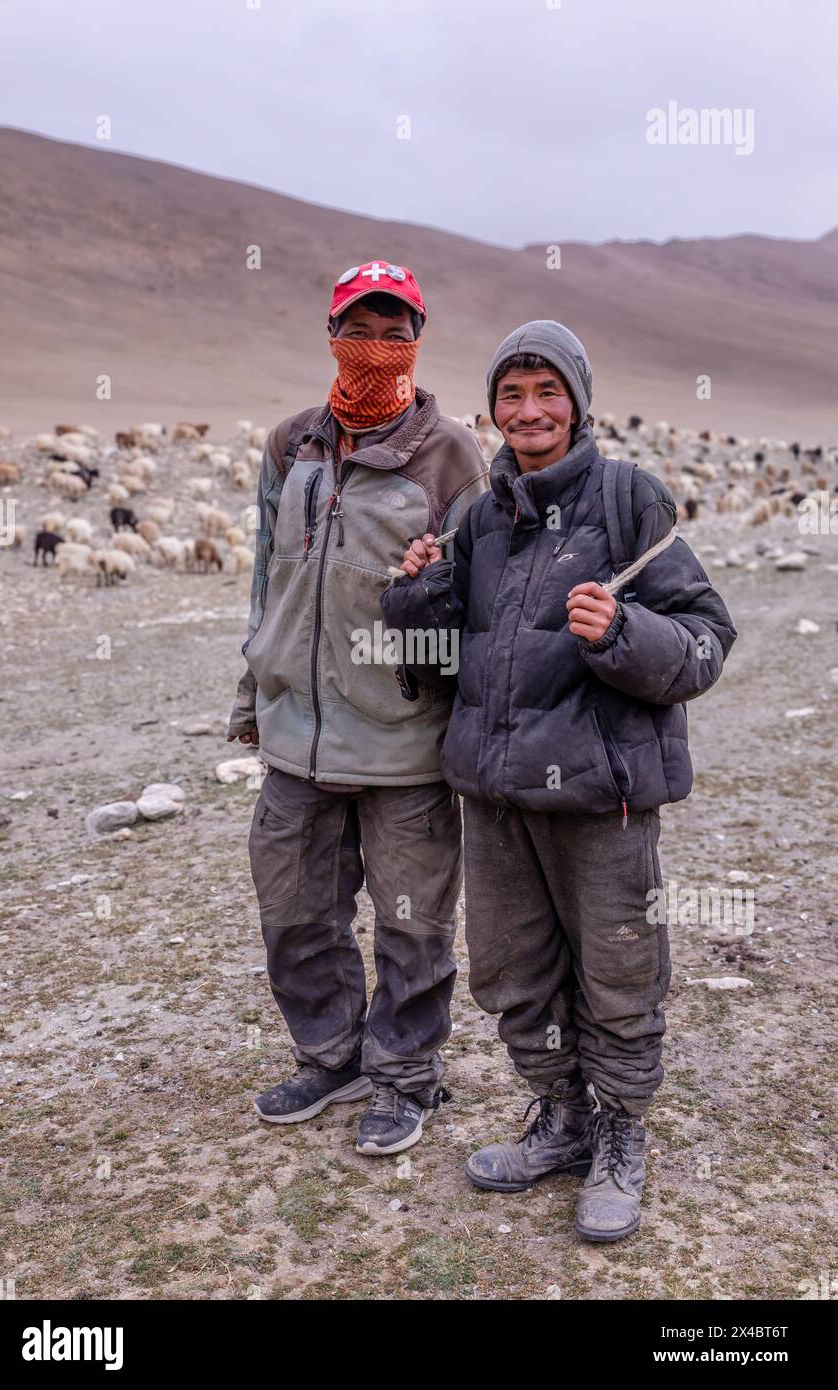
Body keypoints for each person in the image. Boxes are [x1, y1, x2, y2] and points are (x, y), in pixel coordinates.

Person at [381, 319, 736, 1237]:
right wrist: (415, 592)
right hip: (496, 795)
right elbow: (432, 655)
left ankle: (621, 1132)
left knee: (618, 971)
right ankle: (563, 1119)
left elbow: (706, 642)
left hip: (599, 797)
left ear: (577, 401)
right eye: (512, 394)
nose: (529, 411)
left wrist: (622, 633)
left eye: (548, 393)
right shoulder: (479, 516)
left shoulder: (629, 501)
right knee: (514, 971)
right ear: (493, 408)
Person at [227, 261, 488, 1156]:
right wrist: (250, 688)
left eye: (395, 330)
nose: (377, 346)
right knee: (295, 911)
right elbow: (269, 576)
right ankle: (330, 1054)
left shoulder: (452, 455)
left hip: (404, 741)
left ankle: (406, 1077)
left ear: (418, 339)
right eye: (359, 327)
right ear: (331, 332)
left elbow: (476, 600)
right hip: (295, 733)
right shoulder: (291, 444)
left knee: (413, 920)